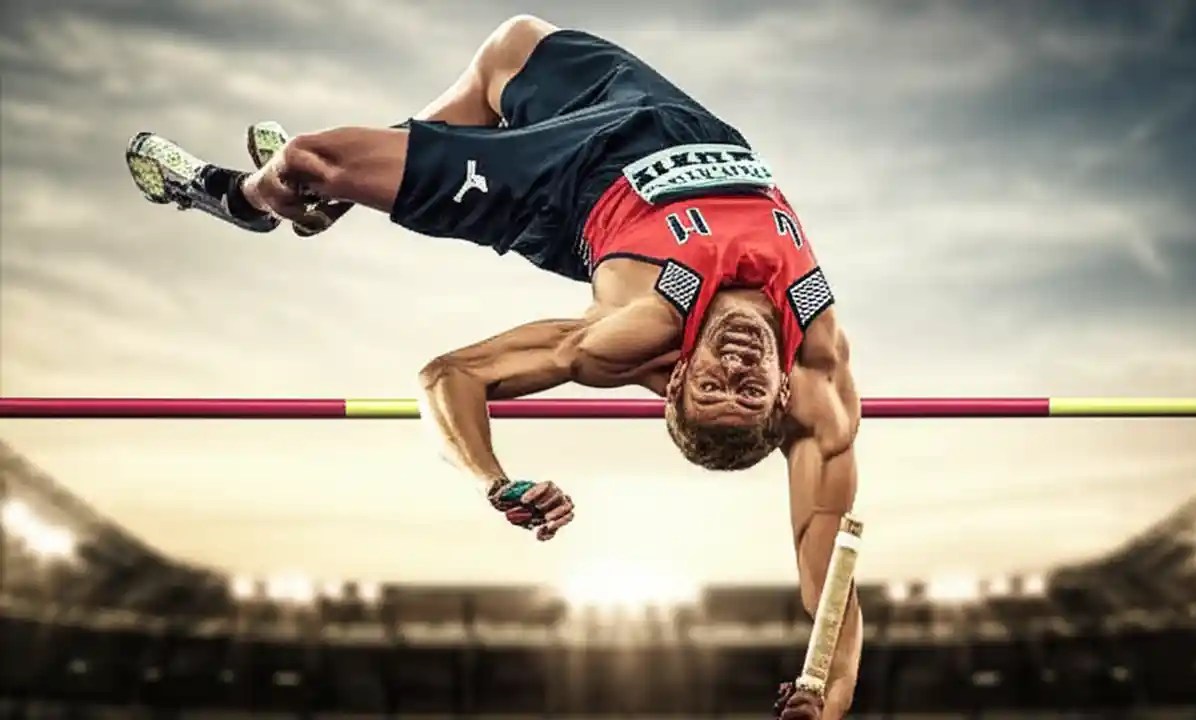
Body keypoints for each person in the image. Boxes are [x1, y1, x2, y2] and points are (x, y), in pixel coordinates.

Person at [125, 16, 862, 717]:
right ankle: (338, 198)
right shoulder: (820, 364)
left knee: (310, 158)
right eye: (746, 387)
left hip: (568, 186)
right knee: (513, 44)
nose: (735, 364)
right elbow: (834, 593)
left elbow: (448, 375)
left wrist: (493, 478)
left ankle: (247, 201)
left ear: (674, 377)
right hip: (679, 131)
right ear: (783, 394)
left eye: (714, 385)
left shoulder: (627, 335)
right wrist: (827, 700)